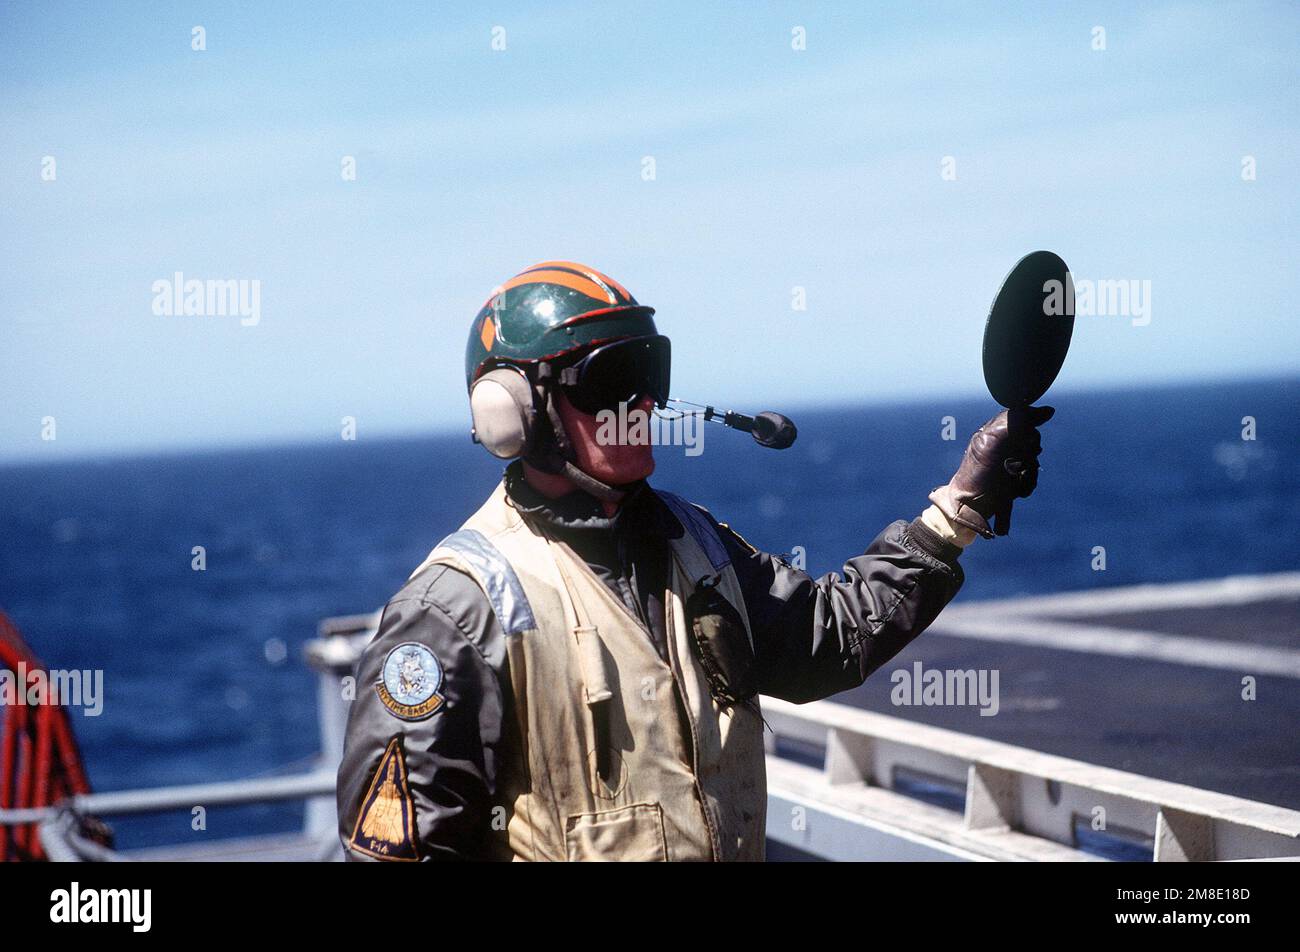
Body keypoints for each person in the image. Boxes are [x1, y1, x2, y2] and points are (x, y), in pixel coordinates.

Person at [336, 261, 1053, 861]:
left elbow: (823, 639)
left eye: (649, 370)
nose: (642, 400)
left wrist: (960, 505)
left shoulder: (695, 544)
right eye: (609, 377)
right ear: (515, 413)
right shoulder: (454, 609)